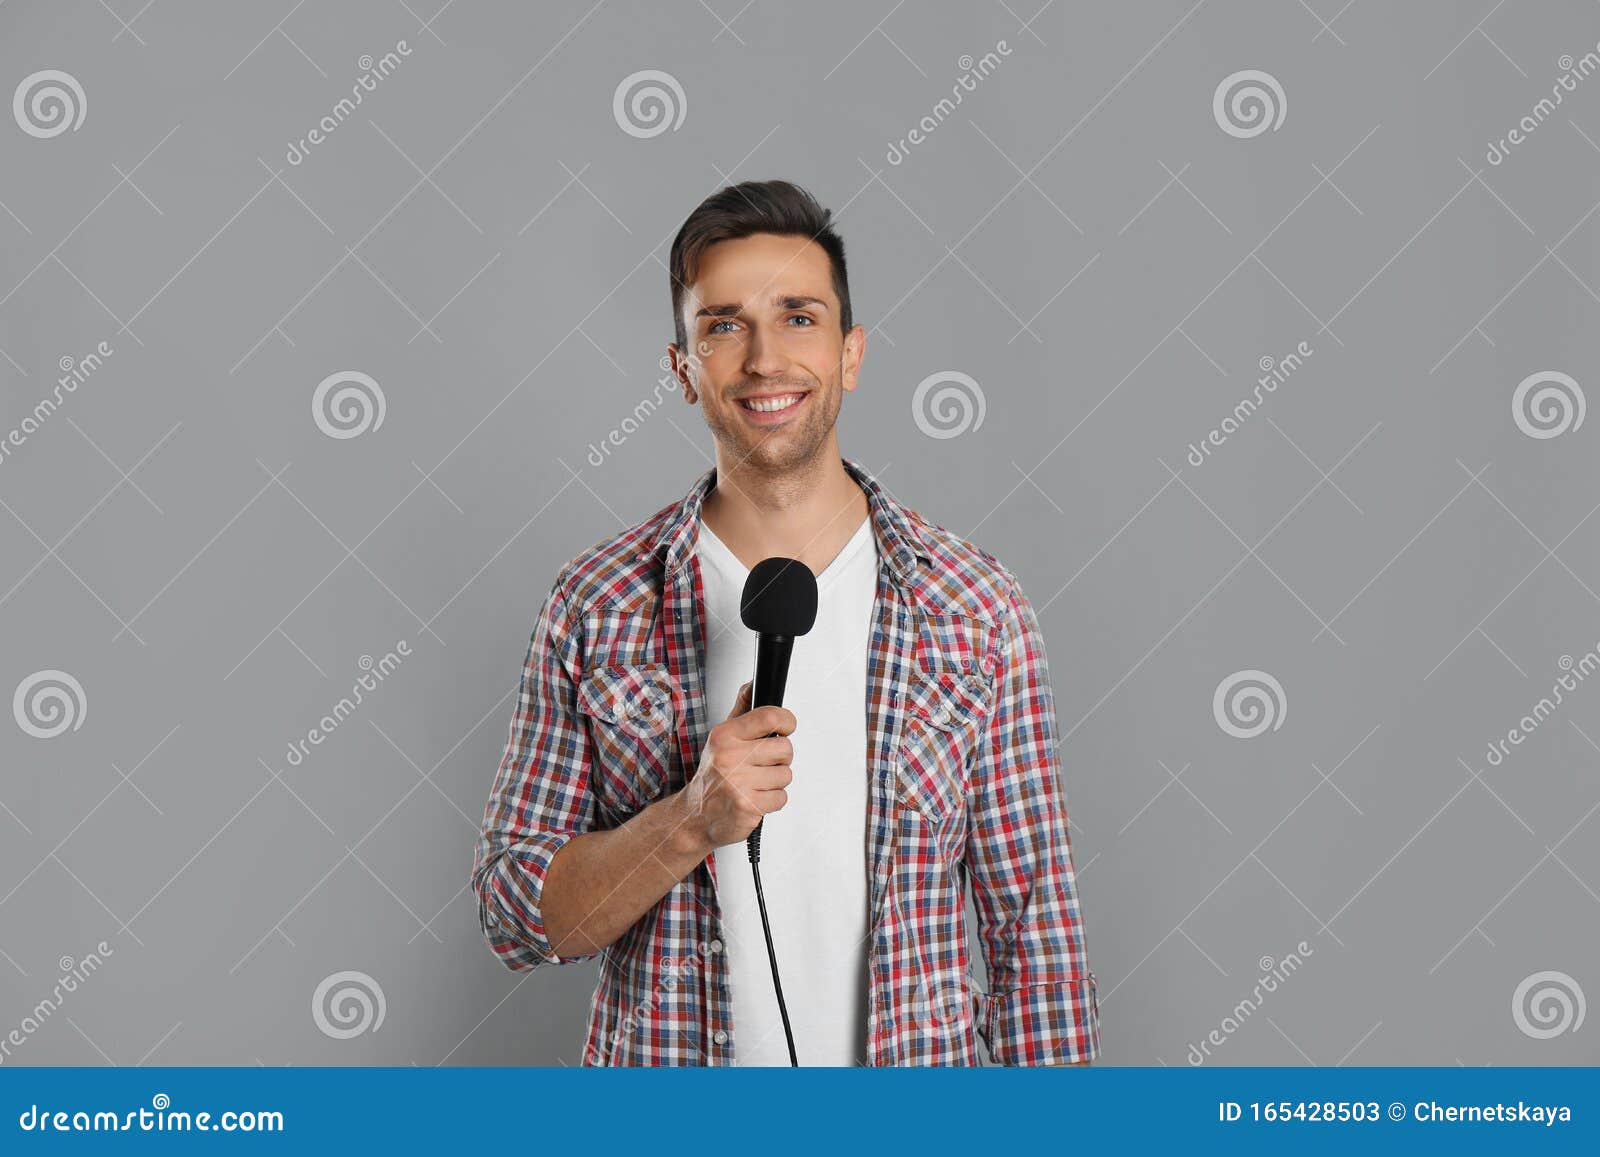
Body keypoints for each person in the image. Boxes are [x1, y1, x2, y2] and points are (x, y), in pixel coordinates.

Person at [469, 179, 1099, 1066]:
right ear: (683, 371)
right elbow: (516, 916)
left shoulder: (975, 604)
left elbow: (1038, 940)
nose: (765, 359)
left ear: (850, 352)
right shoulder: (595, 603)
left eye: (799, 317)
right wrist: (687, 820)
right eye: (723, 326)